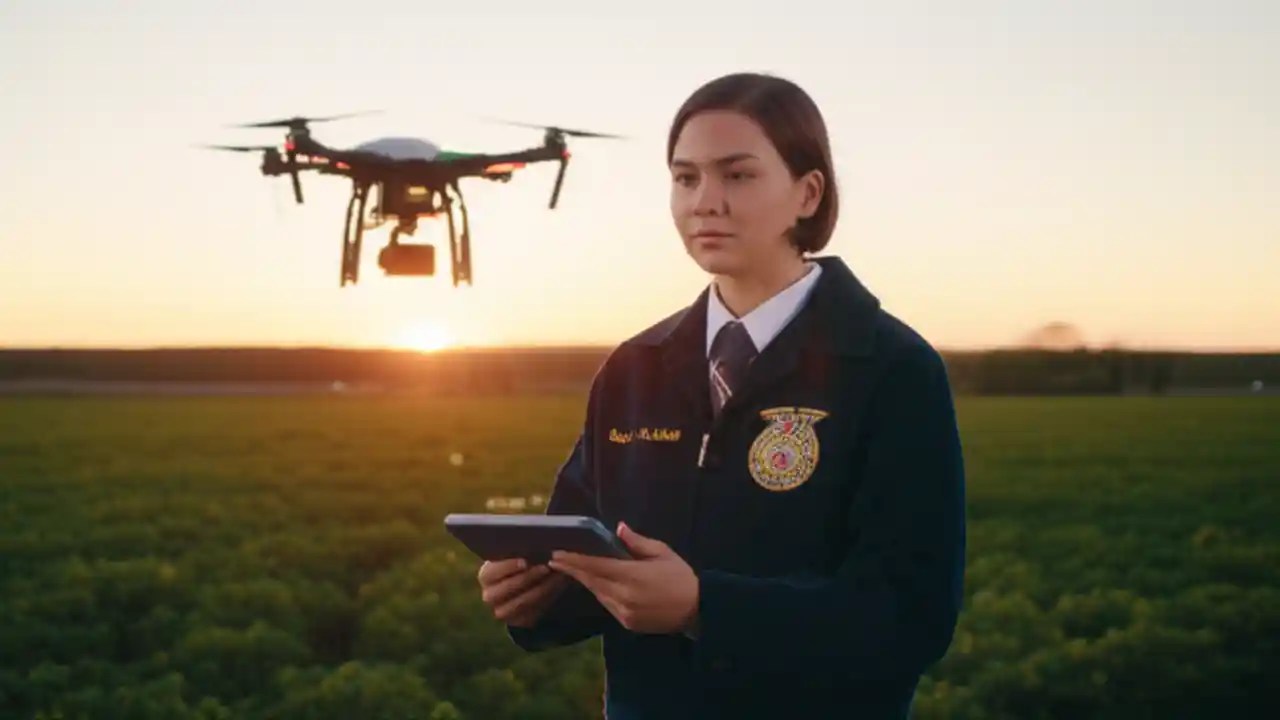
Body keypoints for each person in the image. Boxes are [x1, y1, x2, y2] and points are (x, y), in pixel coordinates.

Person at [475, 71, 967, 719]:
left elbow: (910, 617)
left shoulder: (893, 369)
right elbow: (589, 559)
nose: (706, 201)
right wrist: (535, 598)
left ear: (808, 193)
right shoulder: (635, 369)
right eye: (686, 178)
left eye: (737, 175)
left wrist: (703, 608)